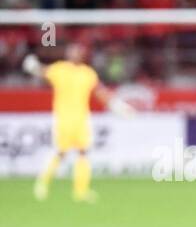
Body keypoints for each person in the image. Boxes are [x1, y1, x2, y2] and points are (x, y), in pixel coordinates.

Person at [24, 42, 135, 203]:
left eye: (78, 52)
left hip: (82, 118)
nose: (75, 54)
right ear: (68, 54)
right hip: (64, 118)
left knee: (83, 152)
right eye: (72, 52)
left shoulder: (87, 73)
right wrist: (33, 66)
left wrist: (117, 106)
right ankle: (42, 182)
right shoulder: (60, 69)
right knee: (61, 152)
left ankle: (80, 191)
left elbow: (100, 92)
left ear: (82, 55)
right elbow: (42, 72)